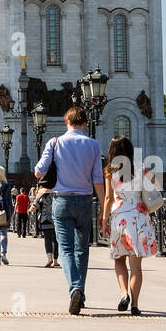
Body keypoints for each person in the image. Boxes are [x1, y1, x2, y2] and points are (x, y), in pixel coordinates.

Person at [34, 105, 105, 315]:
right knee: (82, 249)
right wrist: (102, 208)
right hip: (84, 201)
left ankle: (75, 288)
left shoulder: (54, 143)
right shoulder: (93, 144)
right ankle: (79, 291)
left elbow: (39, 171)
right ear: (83, 123)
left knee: (65, 249)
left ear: (67, 121)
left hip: (61, 201)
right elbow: (98, 179)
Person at [103, 136, 159, 315]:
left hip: (120, 217)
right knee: (136, 266)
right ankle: (135, 305)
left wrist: (104, 219)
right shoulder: (141, 167)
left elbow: (108, 198)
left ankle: (124, 293)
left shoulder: (110, 171)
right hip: (140, 217)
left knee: (119, 259)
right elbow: (155, 183)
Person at [34, 186, 59, 268]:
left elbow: (35, 205)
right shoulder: (57, 192)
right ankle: (55, 261)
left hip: (45, 219)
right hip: (56, 219)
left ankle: (49, 259)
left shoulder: (41, 193)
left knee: (47, 239)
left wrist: (29, 211)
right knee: (56, 240)